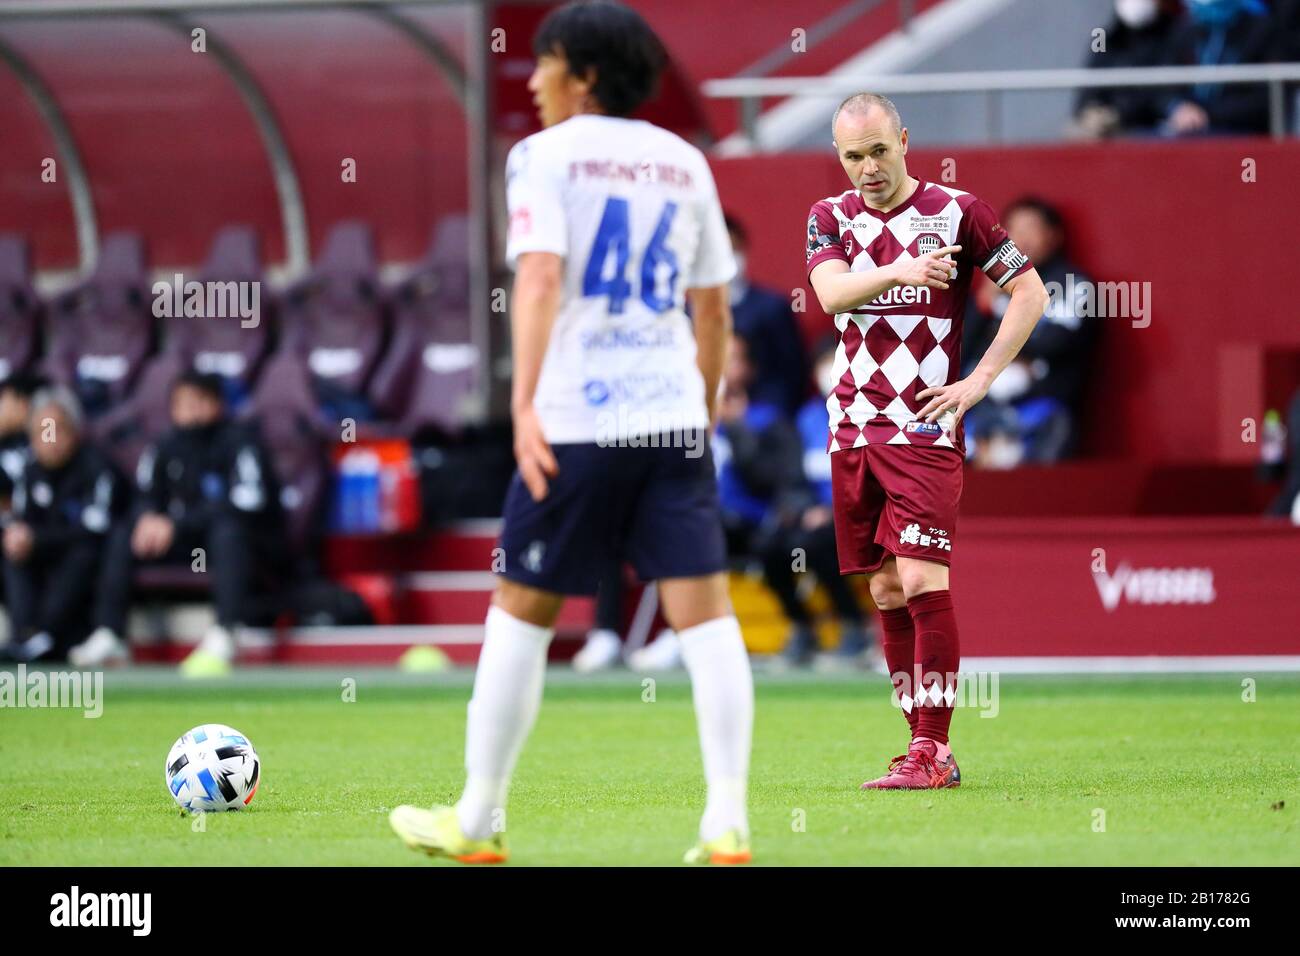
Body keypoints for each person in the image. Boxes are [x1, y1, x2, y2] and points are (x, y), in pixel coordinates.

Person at [389, 0, 753, 866]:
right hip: (671, 416)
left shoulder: (541, 156)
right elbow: (712, 310)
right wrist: (698, 407)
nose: (535, 80)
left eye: (545, 64)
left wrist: (523, 405)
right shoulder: (685, 160)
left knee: (520, 609)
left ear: (583, 74)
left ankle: (476, 822)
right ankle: (726, 823)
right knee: (704, 615)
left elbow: (543, 276)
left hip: (581, 419)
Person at [805, 92, 1048, 790]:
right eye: (854, 156)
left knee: (919, 577)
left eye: (880, 149)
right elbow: (829, 295)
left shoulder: (959, 212)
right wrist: (902, 272)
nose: (868, 167)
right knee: (884, 589)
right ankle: (919, 744)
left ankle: (933, 750)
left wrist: (980, 381)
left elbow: (1029, 293)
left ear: (905, 140)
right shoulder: (829, 216)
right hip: (852, 425)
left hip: (924, 426)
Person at [72, 370, 285, 675]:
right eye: (182, 402)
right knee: (124, 533)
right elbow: (145, 494)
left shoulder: (240, 442)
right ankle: (110, 632)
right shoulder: (165, 444)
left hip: (238, 546)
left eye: (199, 401)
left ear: (217, 404)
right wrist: (148, 519)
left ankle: (226, 630)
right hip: (184, 543)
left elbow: (247, 502)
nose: (190, 410)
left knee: (228, 531)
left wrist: (177, 523)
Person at [961, 196, 1099, 465]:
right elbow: (959, 350)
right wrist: (984, 304)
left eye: (1031, 229)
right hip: (982, 409)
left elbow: (1061, 342)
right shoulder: (993, 287)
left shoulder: (1074, 284)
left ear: (1053, 236)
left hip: (1042, 407)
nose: (1021, 238)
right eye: (1014, 229)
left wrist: (1009, 344)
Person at [1, 386, 124, 662]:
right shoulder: (29, 471)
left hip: (88, 555)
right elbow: (20, 519)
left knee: (82, 552)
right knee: (12, 547)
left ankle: (44, 633)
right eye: (42, 432)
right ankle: (25, 634)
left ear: (74, 431)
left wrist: (37, 538)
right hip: (44, 554)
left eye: (56, 430)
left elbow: (95, 528)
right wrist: (19, 535)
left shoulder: (95, 467)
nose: (50, 440)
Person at [726, 214, 808, 415]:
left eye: (734, 249)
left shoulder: (773, 307)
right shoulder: (690, 312)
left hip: (767, 414)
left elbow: (792, 372)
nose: (727, 258)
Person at [1158, 0, 1277, 137]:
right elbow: (1163, 84)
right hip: (1184, 128)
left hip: (1239, 131)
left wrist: (1207, 114)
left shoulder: (1262, 29)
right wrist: (1178, 107)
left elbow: (1266, 97)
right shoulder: (1185, 28)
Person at [1071, 0, 1184, 139]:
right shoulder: (1103, 36)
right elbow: (1090, 84)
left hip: (1149, 125)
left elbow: (1165, 92)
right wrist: (1093, 110)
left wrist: (1123, 114)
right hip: (1107, 123)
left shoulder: (1173, 32)